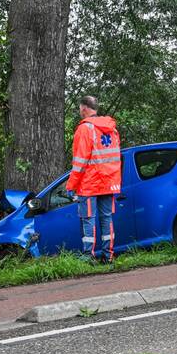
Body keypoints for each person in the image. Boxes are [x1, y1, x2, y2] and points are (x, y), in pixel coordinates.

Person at [68, 95, 123, 263]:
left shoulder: (85, 129)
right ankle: (109, 256)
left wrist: (71, 185)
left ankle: (88, 257)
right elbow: (115, 156)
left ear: (84, 108)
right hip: (109, 182)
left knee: (88, 220)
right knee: (106, 218)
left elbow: (80, 162)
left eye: (79, 108)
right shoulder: (112, 129)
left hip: (90, 183)